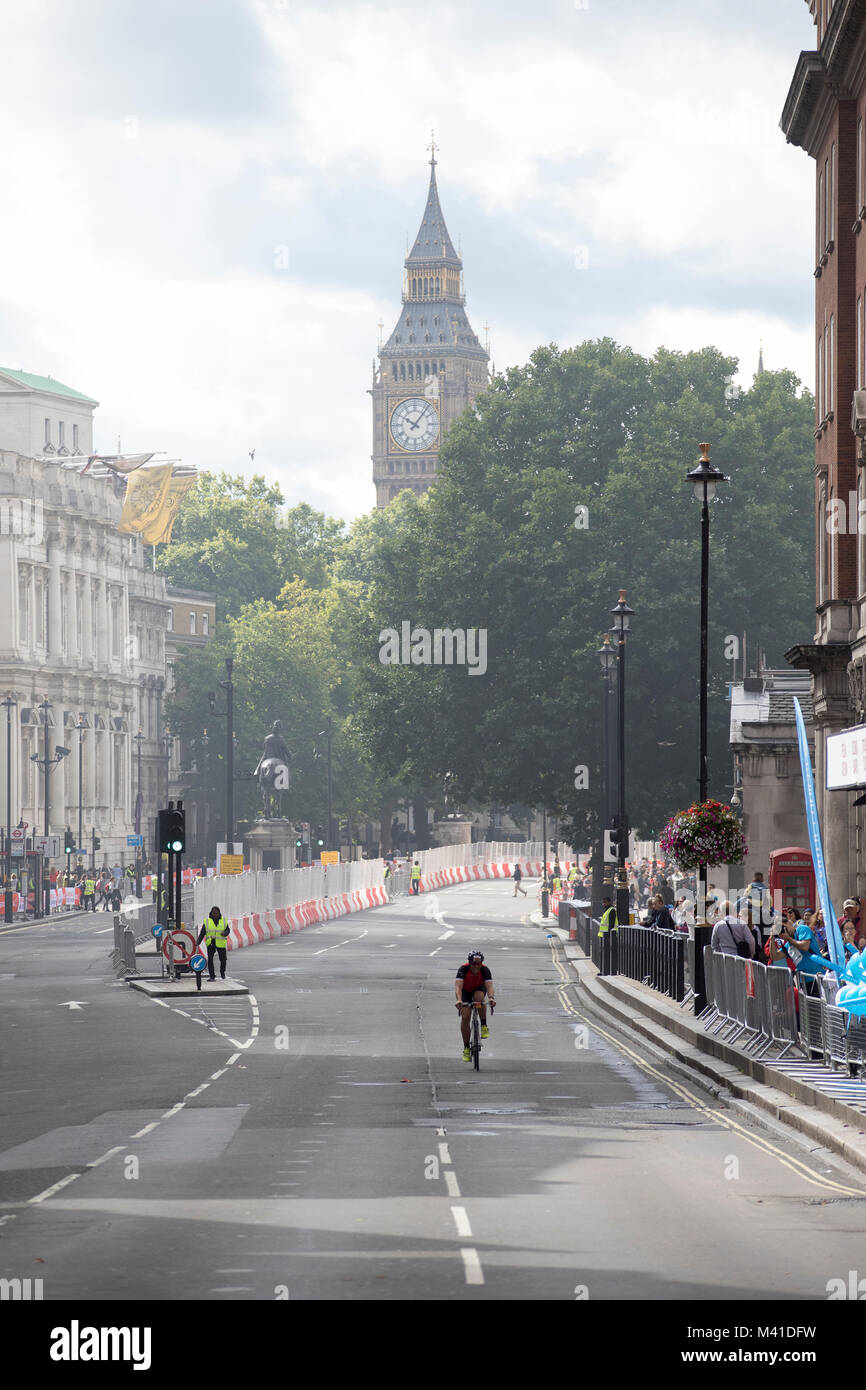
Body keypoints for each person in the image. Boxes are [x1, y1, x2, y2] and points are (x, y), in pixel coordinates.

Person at [454, 950, 495, 1061]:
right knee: (465, 1016)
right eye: (474, 964)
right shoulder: (463, 969)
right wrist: (459, 1000)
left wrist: (491, 998)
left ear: (481, 963)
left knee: (479, 998)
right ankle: (466, 1048)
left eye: (479, 964)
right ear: (469, 962)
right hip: (465, 992)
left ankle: (484, 1025)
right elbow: (458, 987)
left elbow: (489, 986)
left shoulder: (485, 970)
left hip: (478, 989)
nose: (476, 966)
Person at [197, 905, 230, 982]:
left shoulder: (223, 921)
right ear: (211, 913)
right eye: (213, 913)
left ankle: (222, 972)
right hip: (211, 943)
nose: (215, 914)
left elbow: (228, 930)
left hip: (220, 943)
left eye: (216, 913)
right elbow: (202, 933)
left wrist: (225, 933)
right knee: (210, 960)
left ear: (219, 913)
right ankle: (212, 976)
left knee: (223, 959)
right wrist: (198, 942)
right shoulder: (207, 921)